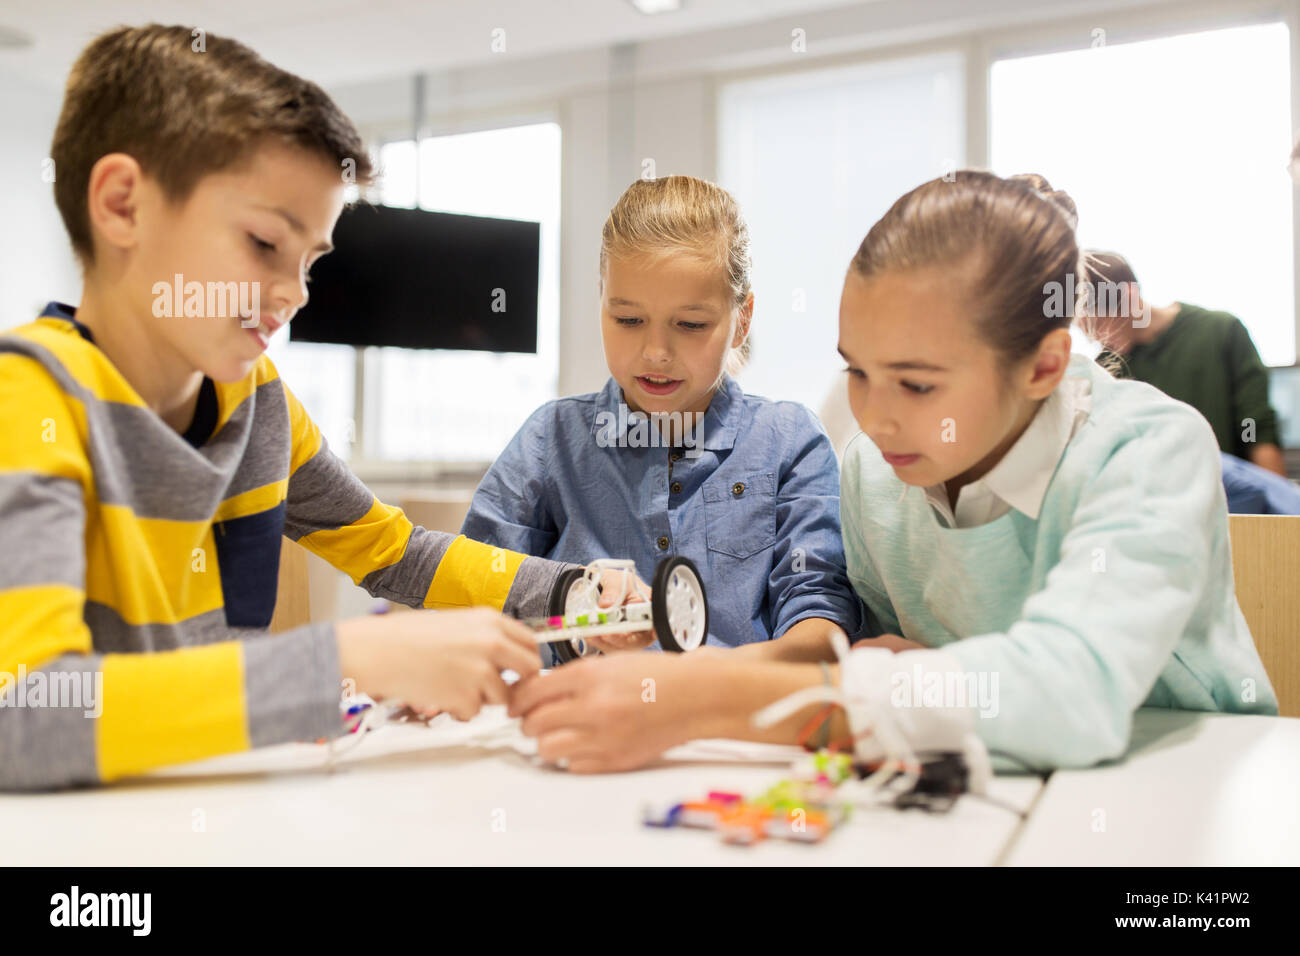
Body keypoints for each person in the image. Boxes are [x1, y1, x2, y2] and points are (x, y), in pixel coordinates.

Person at [508, 172, 1277, 773]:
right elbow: (878, 672)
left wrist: (706, 695)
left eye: (915, 384)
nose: (874, 420)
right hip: (980, 784)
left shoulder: (1148, 448)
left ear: (1044, 365)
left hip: (1190, 789)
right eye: (857, 373)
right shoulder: (872, 477)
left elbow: (1067, 690)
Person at [462, 176, 863, 663]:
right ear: (602, 300)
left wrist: (700, 684)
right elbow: (473, 597)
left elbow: (822, 620)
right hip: (578, 718)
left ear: (742, 319)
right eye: (628, 320)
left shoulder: (789, 442)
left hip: (732, 724)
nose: (655, 352)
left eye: (691, 324)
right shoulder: (552, 439)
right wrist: (574, 621)